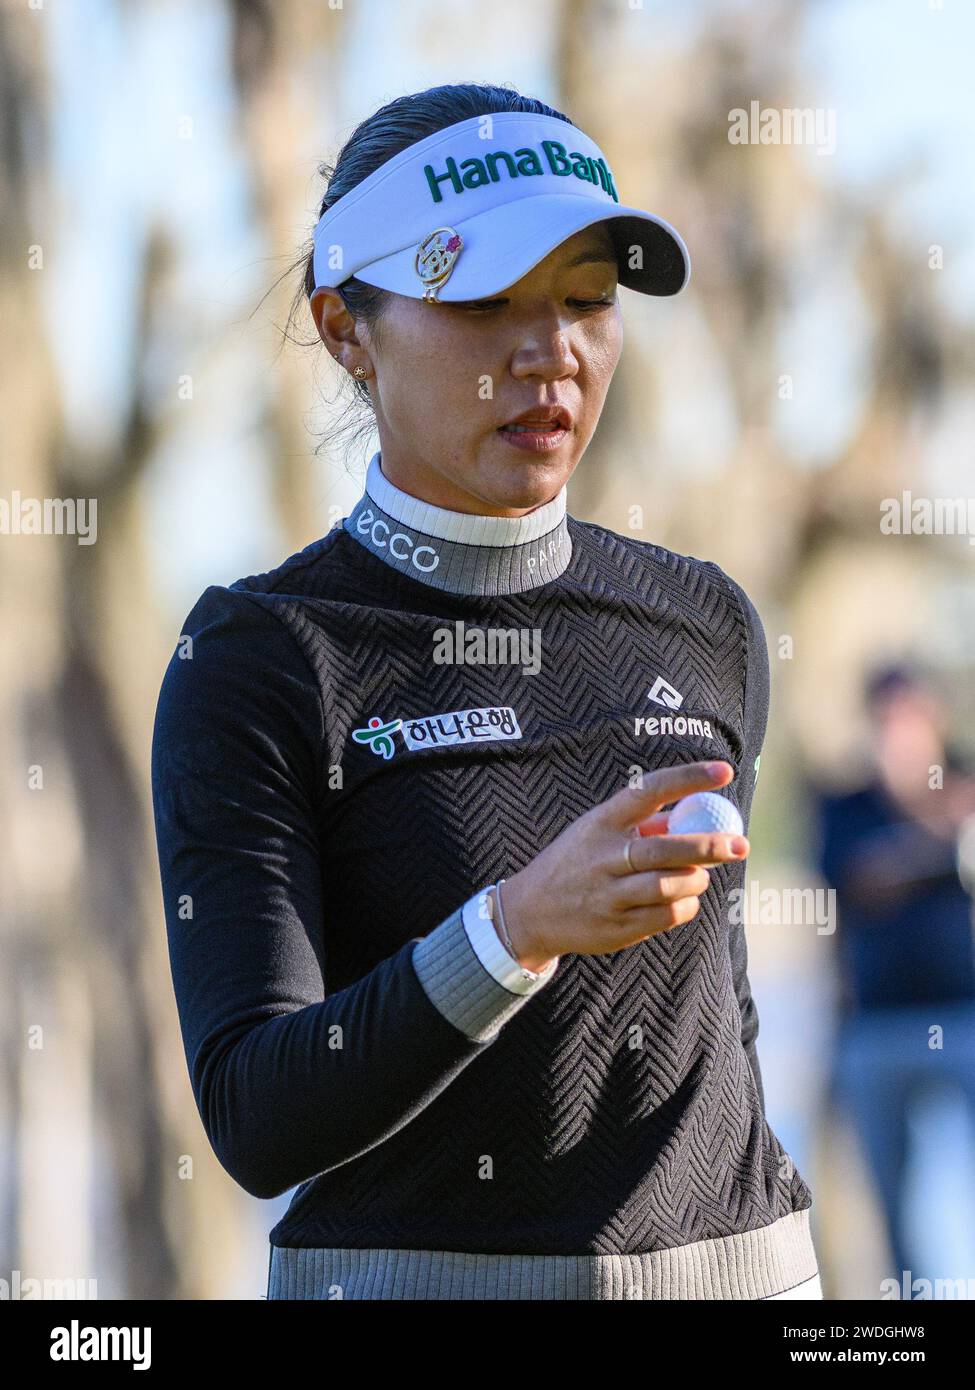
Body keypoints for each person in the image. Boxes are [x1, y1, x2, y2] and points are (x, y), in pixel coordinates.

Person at [150, 82, 821, 1301]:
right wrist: (510, 933)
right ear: (348, 328)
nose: (550, 350)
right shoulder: (260, 653)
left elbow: (716, 1040)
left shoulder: (704, 617)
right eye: (486, 302)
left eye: (584, 301)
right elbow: (254, 1114)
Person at [814, 662, 975, 1287]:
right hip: (875, 1029)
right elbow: (860, 882)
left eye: (910, 716)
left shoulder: (962, 782)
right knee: (891, 1211)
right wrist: (936, 836)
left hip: (964, 1018)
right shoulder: (845, 802)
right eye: (885, 718)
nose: (898, 732)